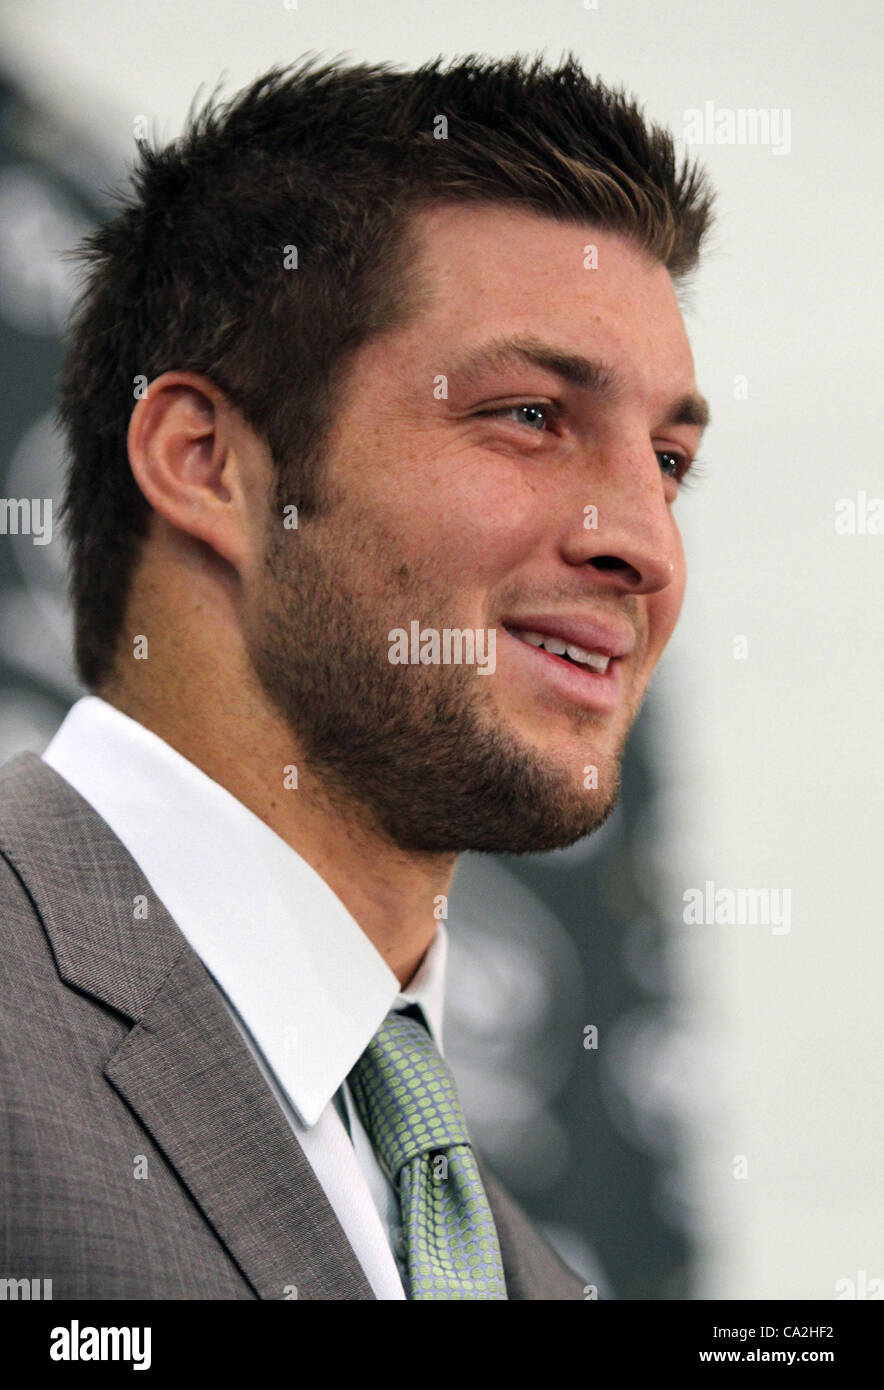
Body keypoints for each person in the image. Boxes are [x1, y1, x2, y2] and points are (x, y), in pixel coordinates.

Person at [0, 53, 712, 1300]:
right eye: (531, 415)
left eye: (666, 460)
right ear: (208, 463)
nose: (643, 542)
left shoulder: (518, 1267)